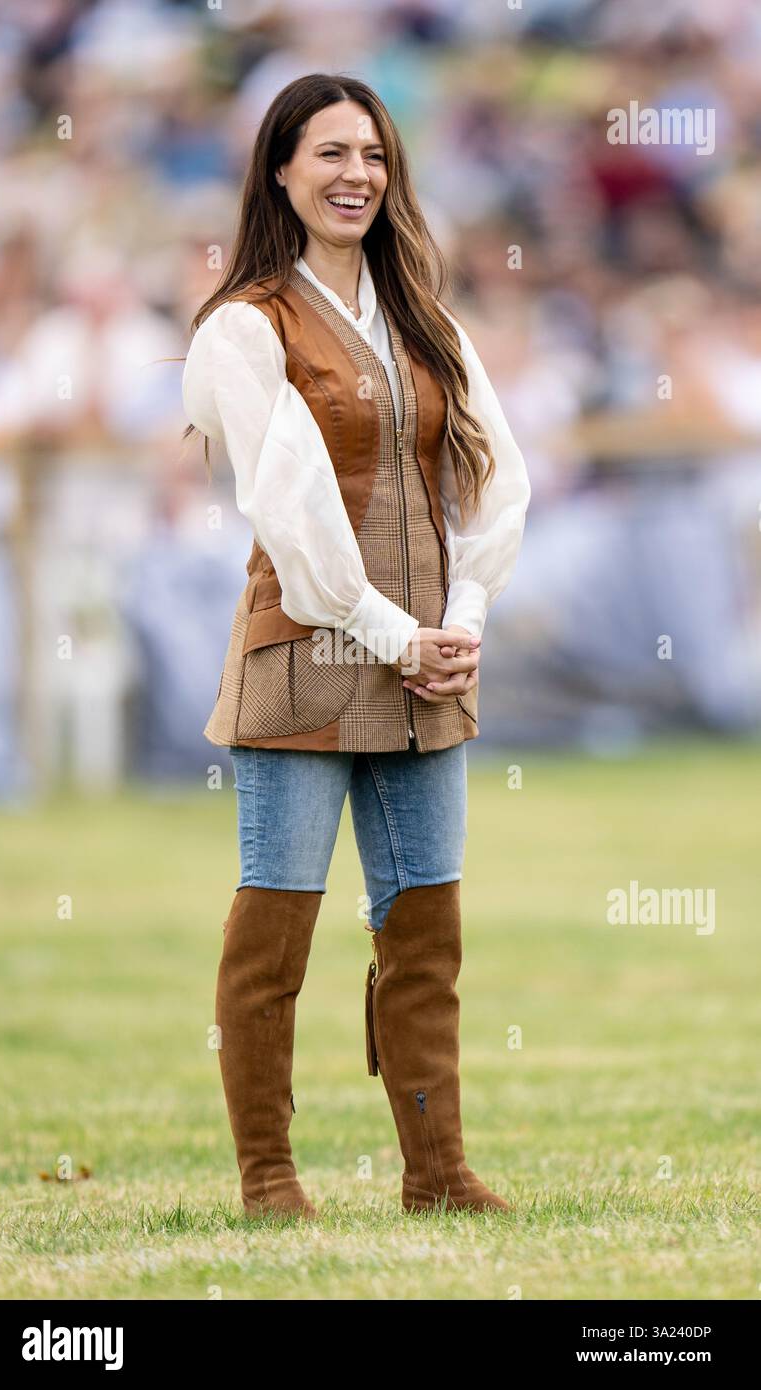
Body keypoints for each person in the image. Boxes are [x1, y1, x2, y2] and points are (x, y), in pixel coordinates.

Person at [181, 72, 531, 1220]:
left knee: (426, 927)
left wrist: (461, 623)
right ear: (280, 168)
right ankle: (269, 1178)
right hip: (310, 659)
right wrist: (397, 633)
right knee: (274, 931)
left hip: (428, 661)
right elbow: (291, 512)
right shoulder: (246, 325)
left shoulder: (426, 313)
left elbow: (493, 479)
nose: (356, 176)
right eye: (330, 153)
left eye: (373, 155)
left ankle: (436, 1174)